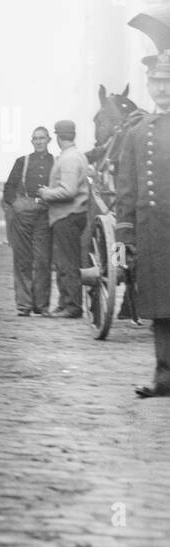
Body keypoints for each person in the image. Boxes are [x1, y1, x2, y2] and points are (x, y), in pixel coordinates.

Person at [115, 34, 170, 397]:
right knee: (160, 307)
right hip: (153, 234)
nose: (161, 88)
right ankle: (163, 379)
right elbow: (127, 189)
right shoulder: (138, 132)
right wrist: (125, 239)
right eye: (156, 82)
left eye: (168, 82)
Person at [35, 119, 89, 318]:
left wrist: (46, 193)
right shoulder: (76, 155)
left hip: (67, 216)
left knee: (67, 263)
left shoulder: (68, 159)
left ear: (57, 136)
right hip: (71, 215)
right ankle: (64, 302)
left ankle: (72, 306)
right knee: (64, 262)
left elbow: (68, 191)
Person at [2, 127, 56, 315]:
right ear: (31, 141)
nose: (39, 141)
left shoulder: (55, 162)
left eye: (42, 138)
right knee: (22, 259)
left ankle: (41, 306)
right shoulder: (22, 162)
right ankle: (24, 305)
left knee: (43, 260)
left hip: (45, 213)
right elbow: (8, 188)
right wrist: (16, 204)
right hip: (24, 214)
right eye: (35, 139)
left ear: (49, 140)